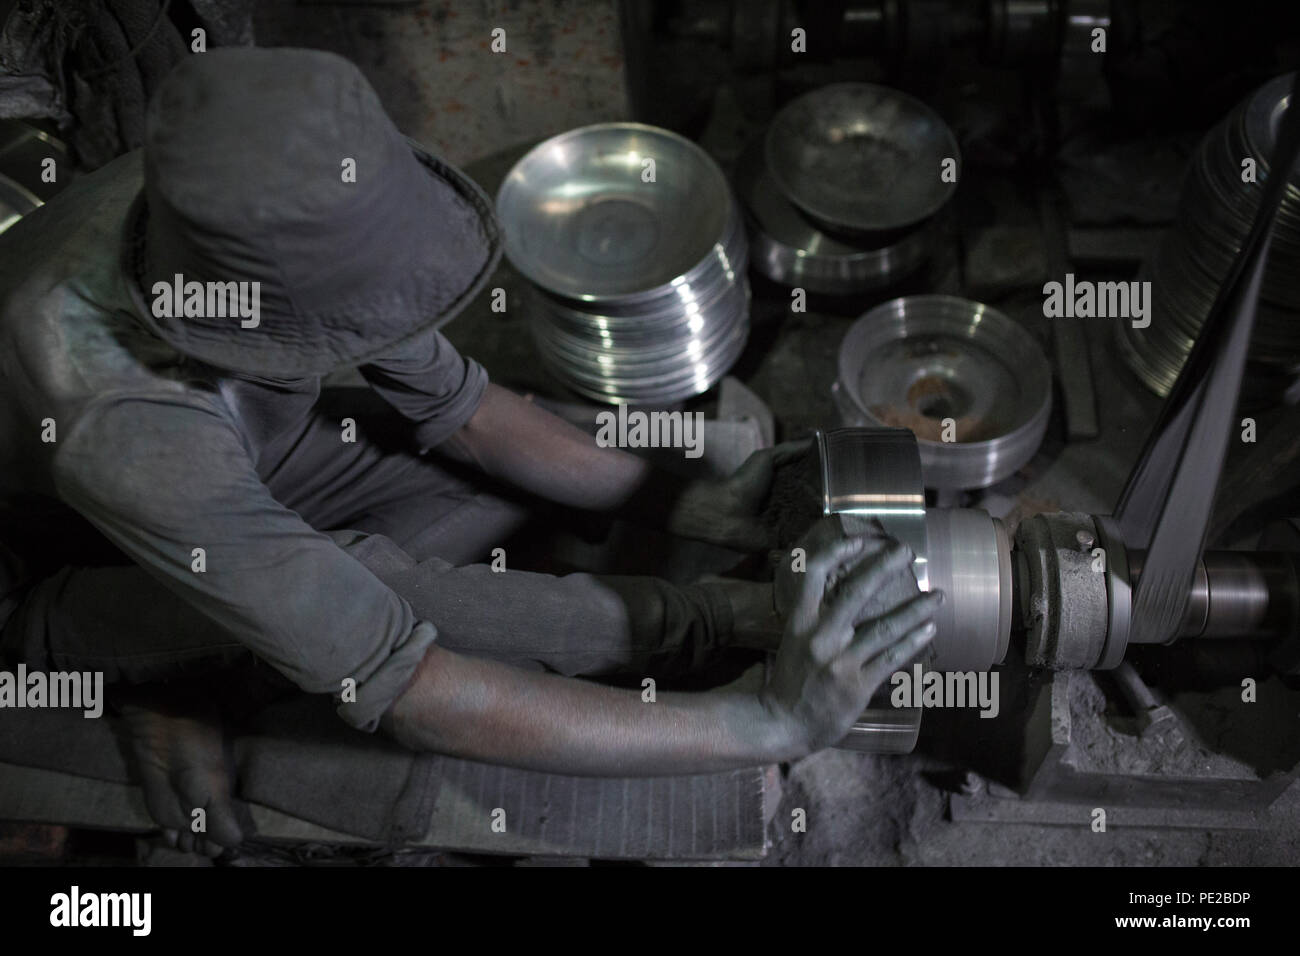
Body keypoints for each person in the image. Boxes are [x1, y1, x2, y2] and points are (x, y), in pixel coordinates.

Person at [0, 48, 941, 856]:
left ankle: (234, 642)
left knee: (486, 488)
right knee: (384, 593)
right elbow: (414, 688)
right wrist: (762, 721)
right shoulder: (117, 417)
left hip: (240, 450)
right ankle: (165, 670)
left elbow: (466, 409)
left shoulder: (243, 193)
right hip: (46, 575)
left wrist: (701, 505)